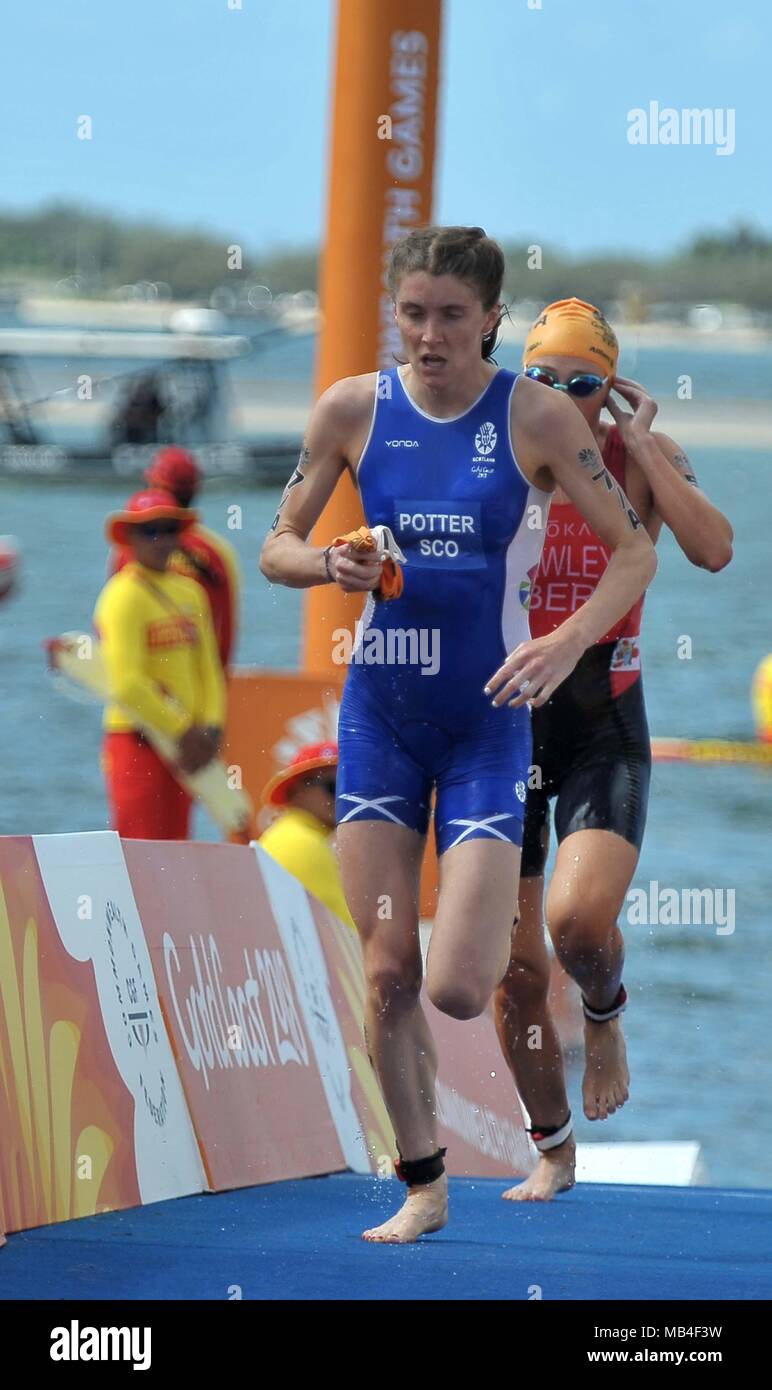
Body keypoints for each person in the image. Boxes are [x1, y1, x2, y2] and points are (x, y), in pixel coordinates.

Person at [260, 226, 657, 1244]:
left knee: (458, 981)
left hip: (488, 727)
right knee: (386, 970)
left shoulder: (531, 415)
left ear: (489, 321)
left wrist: (564, 646)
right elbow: (276, 546)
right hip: (382, 718)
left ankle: (578, 1063)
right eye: (412, 313)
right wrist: (327, 567)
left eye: (450, 316)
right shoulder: (353, 409)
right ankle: (423, 1183)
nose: (429, 335)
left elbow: (630, 556)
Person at [493, 298, 734, 1200]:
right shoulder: (500, 454)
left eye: (581, 383)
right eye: (542, 378)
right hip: (503, 723)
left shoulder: (636, 459)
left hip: (601, 715)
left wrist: (645, 446)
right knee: (510, 973)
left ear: (611, 390)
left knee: (577, 927)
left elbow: (713, 549)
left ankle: (604, 1008)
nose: (560, 395)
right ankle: (550, 1144)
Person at [95, 488, 226, 840]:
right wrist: (185, 729)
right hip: (138, 737)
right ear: (131, 538)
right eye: (151, 531)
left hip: (188, 746)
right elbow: (126, 683)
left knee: (176, 847)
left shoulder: (190, 592)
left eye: (170, 530)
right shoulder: (123, 595)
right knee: (139, 846)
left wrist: (212, 727)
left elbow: (209, 669)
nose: (162, 539)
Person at [110, 447, 241, 670]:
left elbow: (113, 633)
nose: (162, 543)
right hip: (193, 688)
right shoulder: (218, 552)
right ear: (194, 491)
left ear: (152, 485)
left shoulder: (129, 548)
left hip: (141, 686)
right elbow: (225, 634)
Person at [259, 741, 355, 930]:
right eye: (333, 787)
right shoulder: (302, 843)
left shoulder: (288, 835)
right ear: (297, 791)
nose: (342, 797)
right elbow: (351, 940)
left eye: (350, 787)